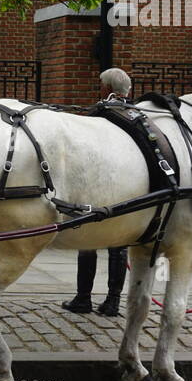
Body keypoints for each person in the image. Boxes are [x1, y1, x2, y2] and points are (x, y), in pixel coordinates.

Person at [61, 67, 133, 316]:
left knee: (88, 242)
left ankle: (83, 298)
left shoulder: (101, 112)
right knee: (119, 245)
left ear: (106, 88)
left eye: (99, 83)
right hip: (129, 186)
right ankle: (112, 301)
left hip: (98, 184)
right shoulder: (135, 114)